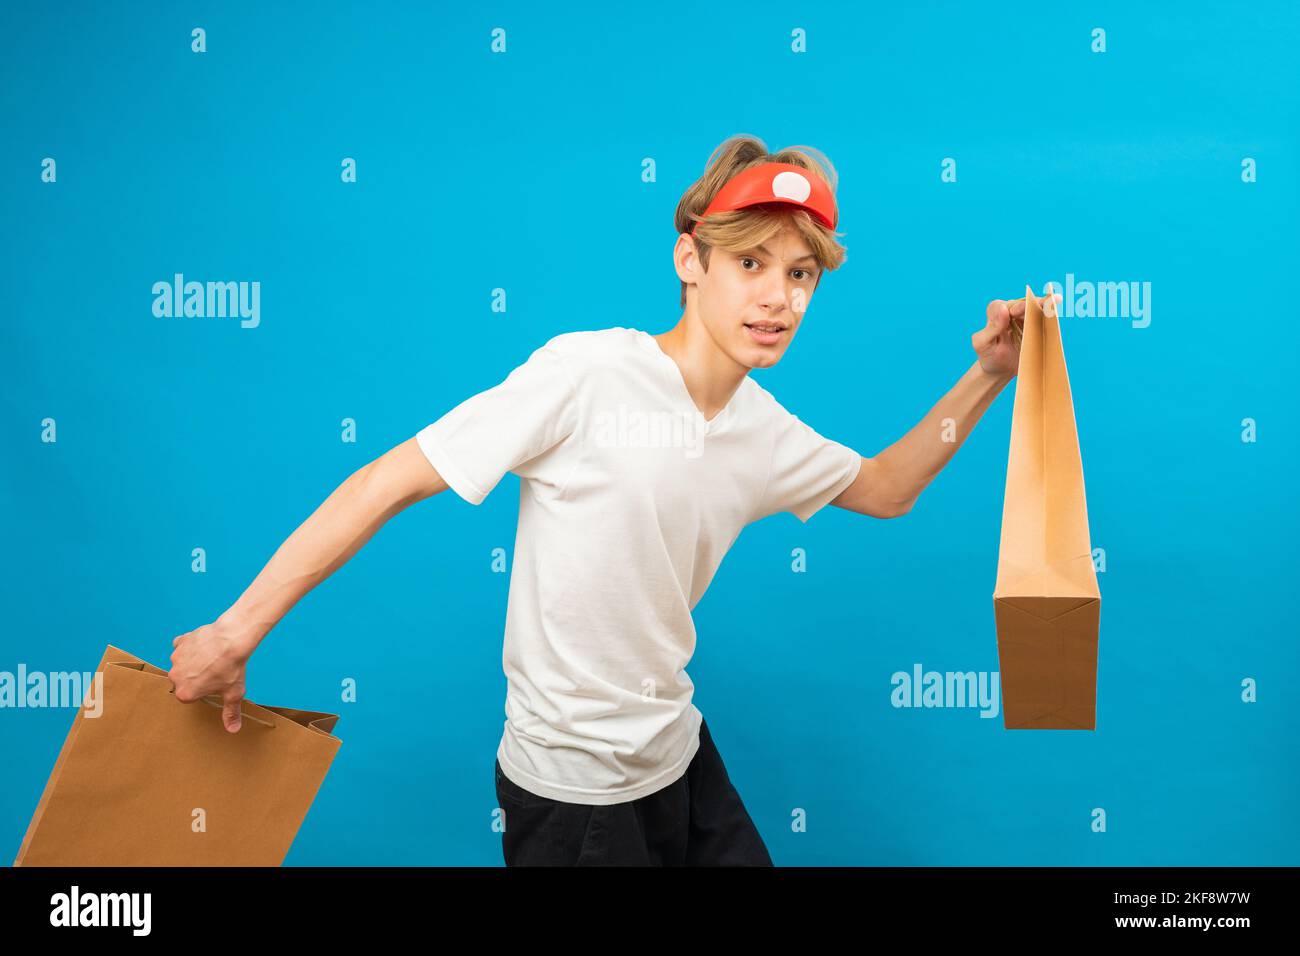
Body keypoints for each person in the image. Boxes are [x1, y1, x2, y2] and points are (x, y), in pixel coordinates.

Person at [167, 134, 1058, 866]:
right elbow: (384, 481)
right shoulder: (588, 374)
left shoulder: (761, 426)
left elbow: (888, 487)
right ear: (689, 261)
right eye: (750, 262)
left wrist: (988, 375)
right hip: (572, 798)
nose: (778, 297)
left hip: (676, 757)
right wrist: (236, 632)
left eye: (799, 275)